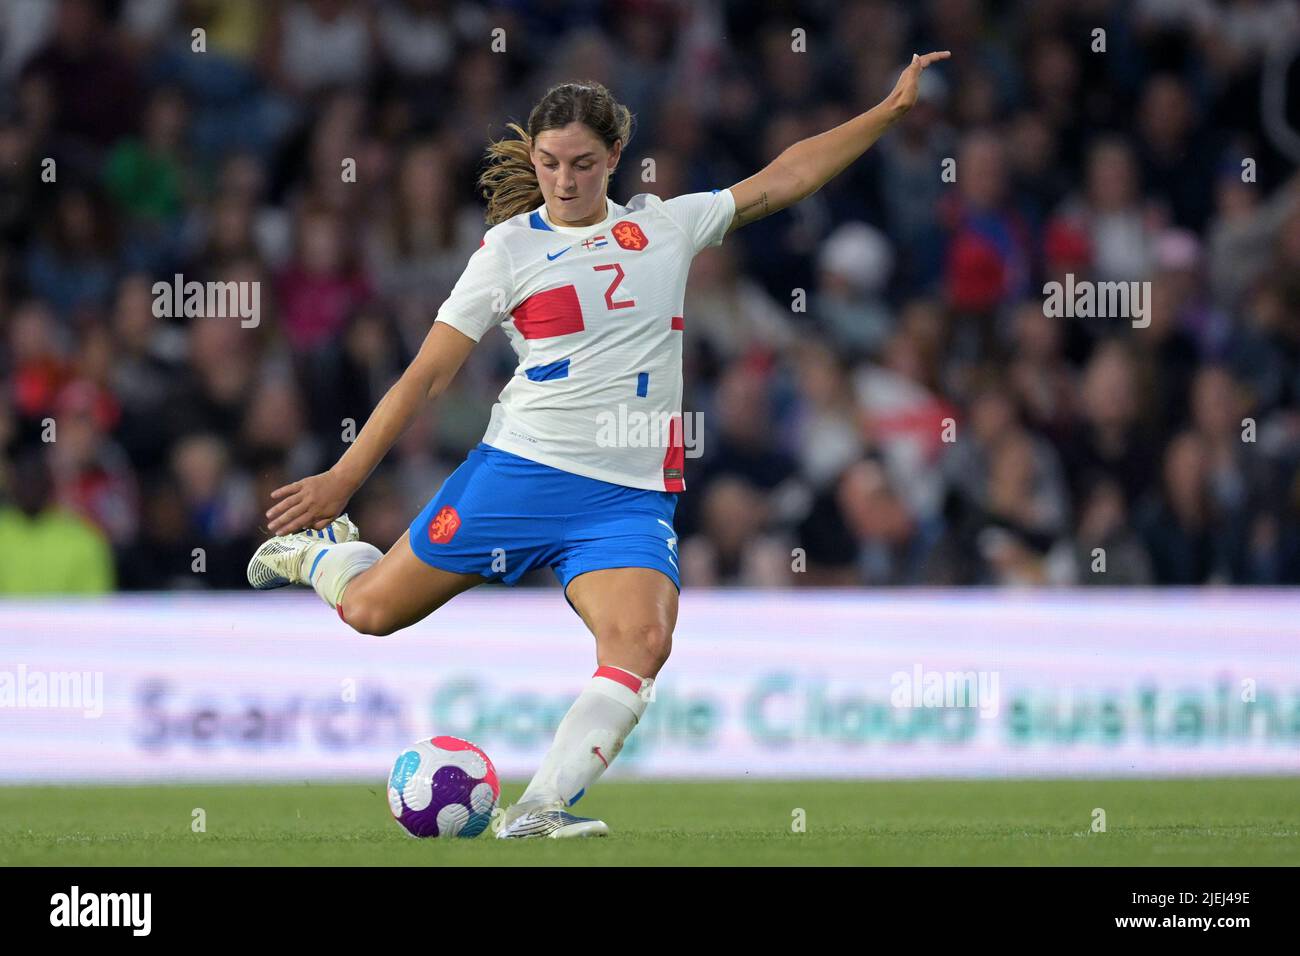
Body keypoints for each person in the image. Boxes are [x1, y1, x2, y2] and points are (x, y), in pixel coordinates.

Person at [246, 53, 950, 838]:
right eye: (549, 163)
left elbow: (785, 176)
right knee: (372, 613)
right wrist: (342, 479)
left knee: (644, 639)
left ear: (614, 159)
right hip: (519, 474)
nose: (564, 180)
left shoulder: (665, 227)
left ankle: (541, 805)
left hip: (627, 496)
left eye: (583, 163)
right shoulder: (508, 251)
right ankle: (318, 555)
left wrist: (886, 114)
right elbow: (425, 379)